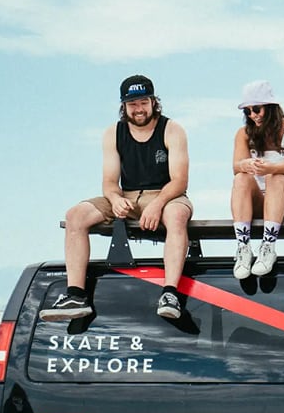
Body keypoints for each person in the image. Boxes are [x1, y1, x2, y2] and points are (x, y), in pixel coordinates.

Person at [41, 75, 193, 322]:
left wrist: (156, 205)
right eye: (132, 104)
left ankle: (170, 293)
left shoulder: (172, 129)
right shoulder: (113, 132)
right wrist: (114, 199)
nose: (139, 109)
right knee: (75, 216)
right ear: (124, 106)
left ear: (154, 102)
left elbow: (179, 181)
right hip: (127, 196)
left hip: (166, 196)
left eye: (143, 102)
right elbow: (109, 182)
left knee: (177, 215)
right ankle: (75, 295)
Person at [229, 80, 284, 279]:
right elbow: (236, 165)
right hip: (260, 199)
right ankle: (243, 247)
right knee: (241, 179)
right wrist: (247, 165)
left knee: (276, 178)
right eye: (247, 111)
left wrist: (269, 168)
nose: (253, 116)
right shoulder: (244, 133)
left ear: (271, 108)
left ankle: (268, 246)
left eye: (256, 109)